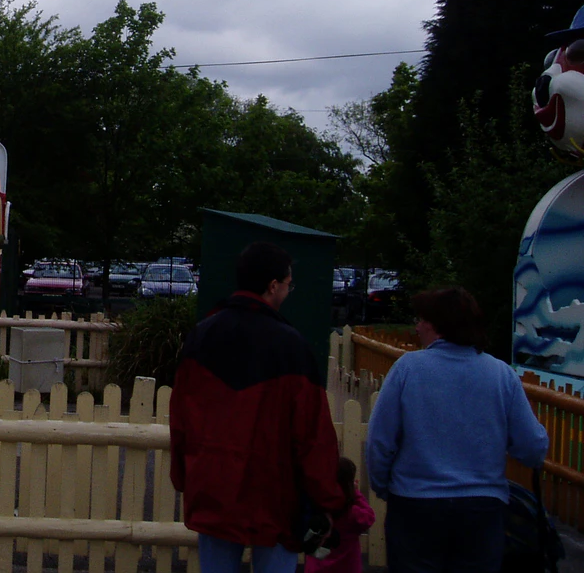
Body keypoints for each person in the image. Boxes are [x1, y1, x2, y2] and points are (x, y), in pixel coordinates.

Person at [170, 241, 344, 572]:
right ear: (273, 285)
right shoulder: (292, 346)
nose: (289, 291)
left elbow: (181, 417)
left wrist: (184, 476)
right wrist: (327, 500)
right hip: (276, 496)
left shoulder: (201, 336)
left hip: (213, 488)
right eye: (289, 284)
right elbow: (312, 435)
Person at [366, 286, 548, 572]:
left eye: (422, 320)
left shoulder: (408, 369)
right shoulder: (501, 374)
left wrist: (384, 486)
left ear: (439, 326)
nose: (416, 327)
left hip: (415, 506)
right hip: (481, 510)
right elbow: (532, 449)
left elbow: (380, 440)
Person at [304, 457, 375, 573]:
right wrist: (356, 494)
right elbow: (369, 517)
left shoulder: (317, 509)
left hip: (317, 568)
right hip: (347, 567)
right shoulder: (353, 514)